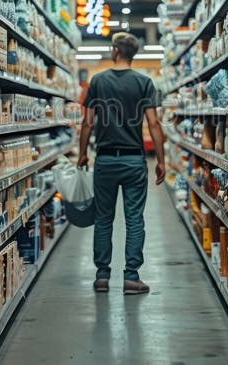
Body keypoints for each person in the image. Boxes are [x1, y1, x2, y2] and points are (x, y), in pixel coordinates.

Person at [77, 32, 166, 295]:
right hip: (133, 160)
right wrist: (161, 161)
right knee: (134, 219)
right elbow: (154, 124)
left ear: (115, 50)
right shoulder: (144, 82)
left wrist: (83, 153)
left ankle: (102, 276)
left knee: (103, 219)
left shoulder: (97, 81)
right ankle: (131, 277)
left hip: (104, 159)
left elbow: (87, 123)